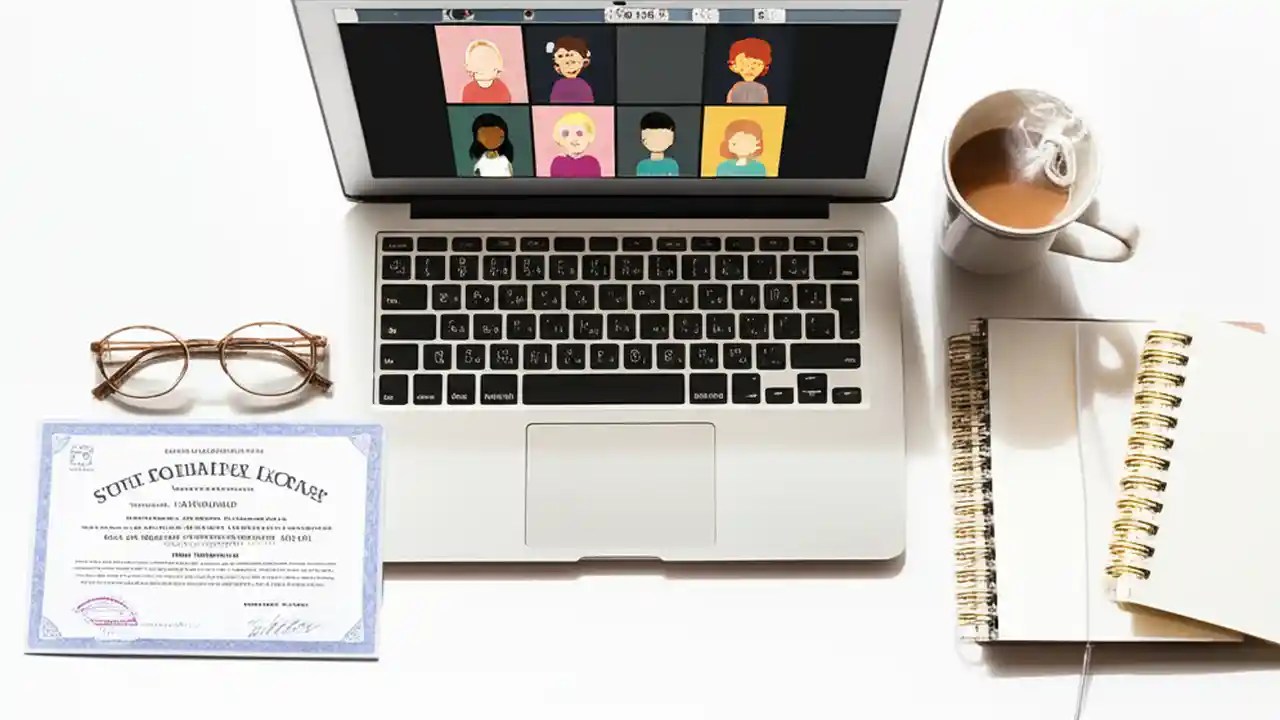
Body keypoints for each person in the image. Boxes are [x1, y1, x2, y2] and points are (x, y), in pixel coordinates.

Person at [548, 111, 602, 177]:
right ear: (558, 138)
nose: (573, 138)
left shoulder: (592, 163)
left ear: (590, 136)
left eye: (579, 133)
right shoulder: (558, 162)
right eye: (566, 134)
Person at [548, 36, 594, 103]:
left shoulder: (583, 86)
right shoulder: (558, 86)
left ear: (584, 62)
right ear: (557, 68)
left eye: (573, 62)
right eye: (565, 63)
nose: (570, 67)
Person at [725, 37, 771, 104]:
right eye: (744, 63)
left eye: (758, 64)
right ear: (734, 65)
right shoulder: (736, 88)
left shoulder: (761, 89)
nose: (750, 69)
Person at [635, 112, 679, 177]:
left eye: (662, 138)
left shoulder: (672, 165)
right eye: (652, 137)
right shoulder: (642, 166)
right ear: (643, 139)